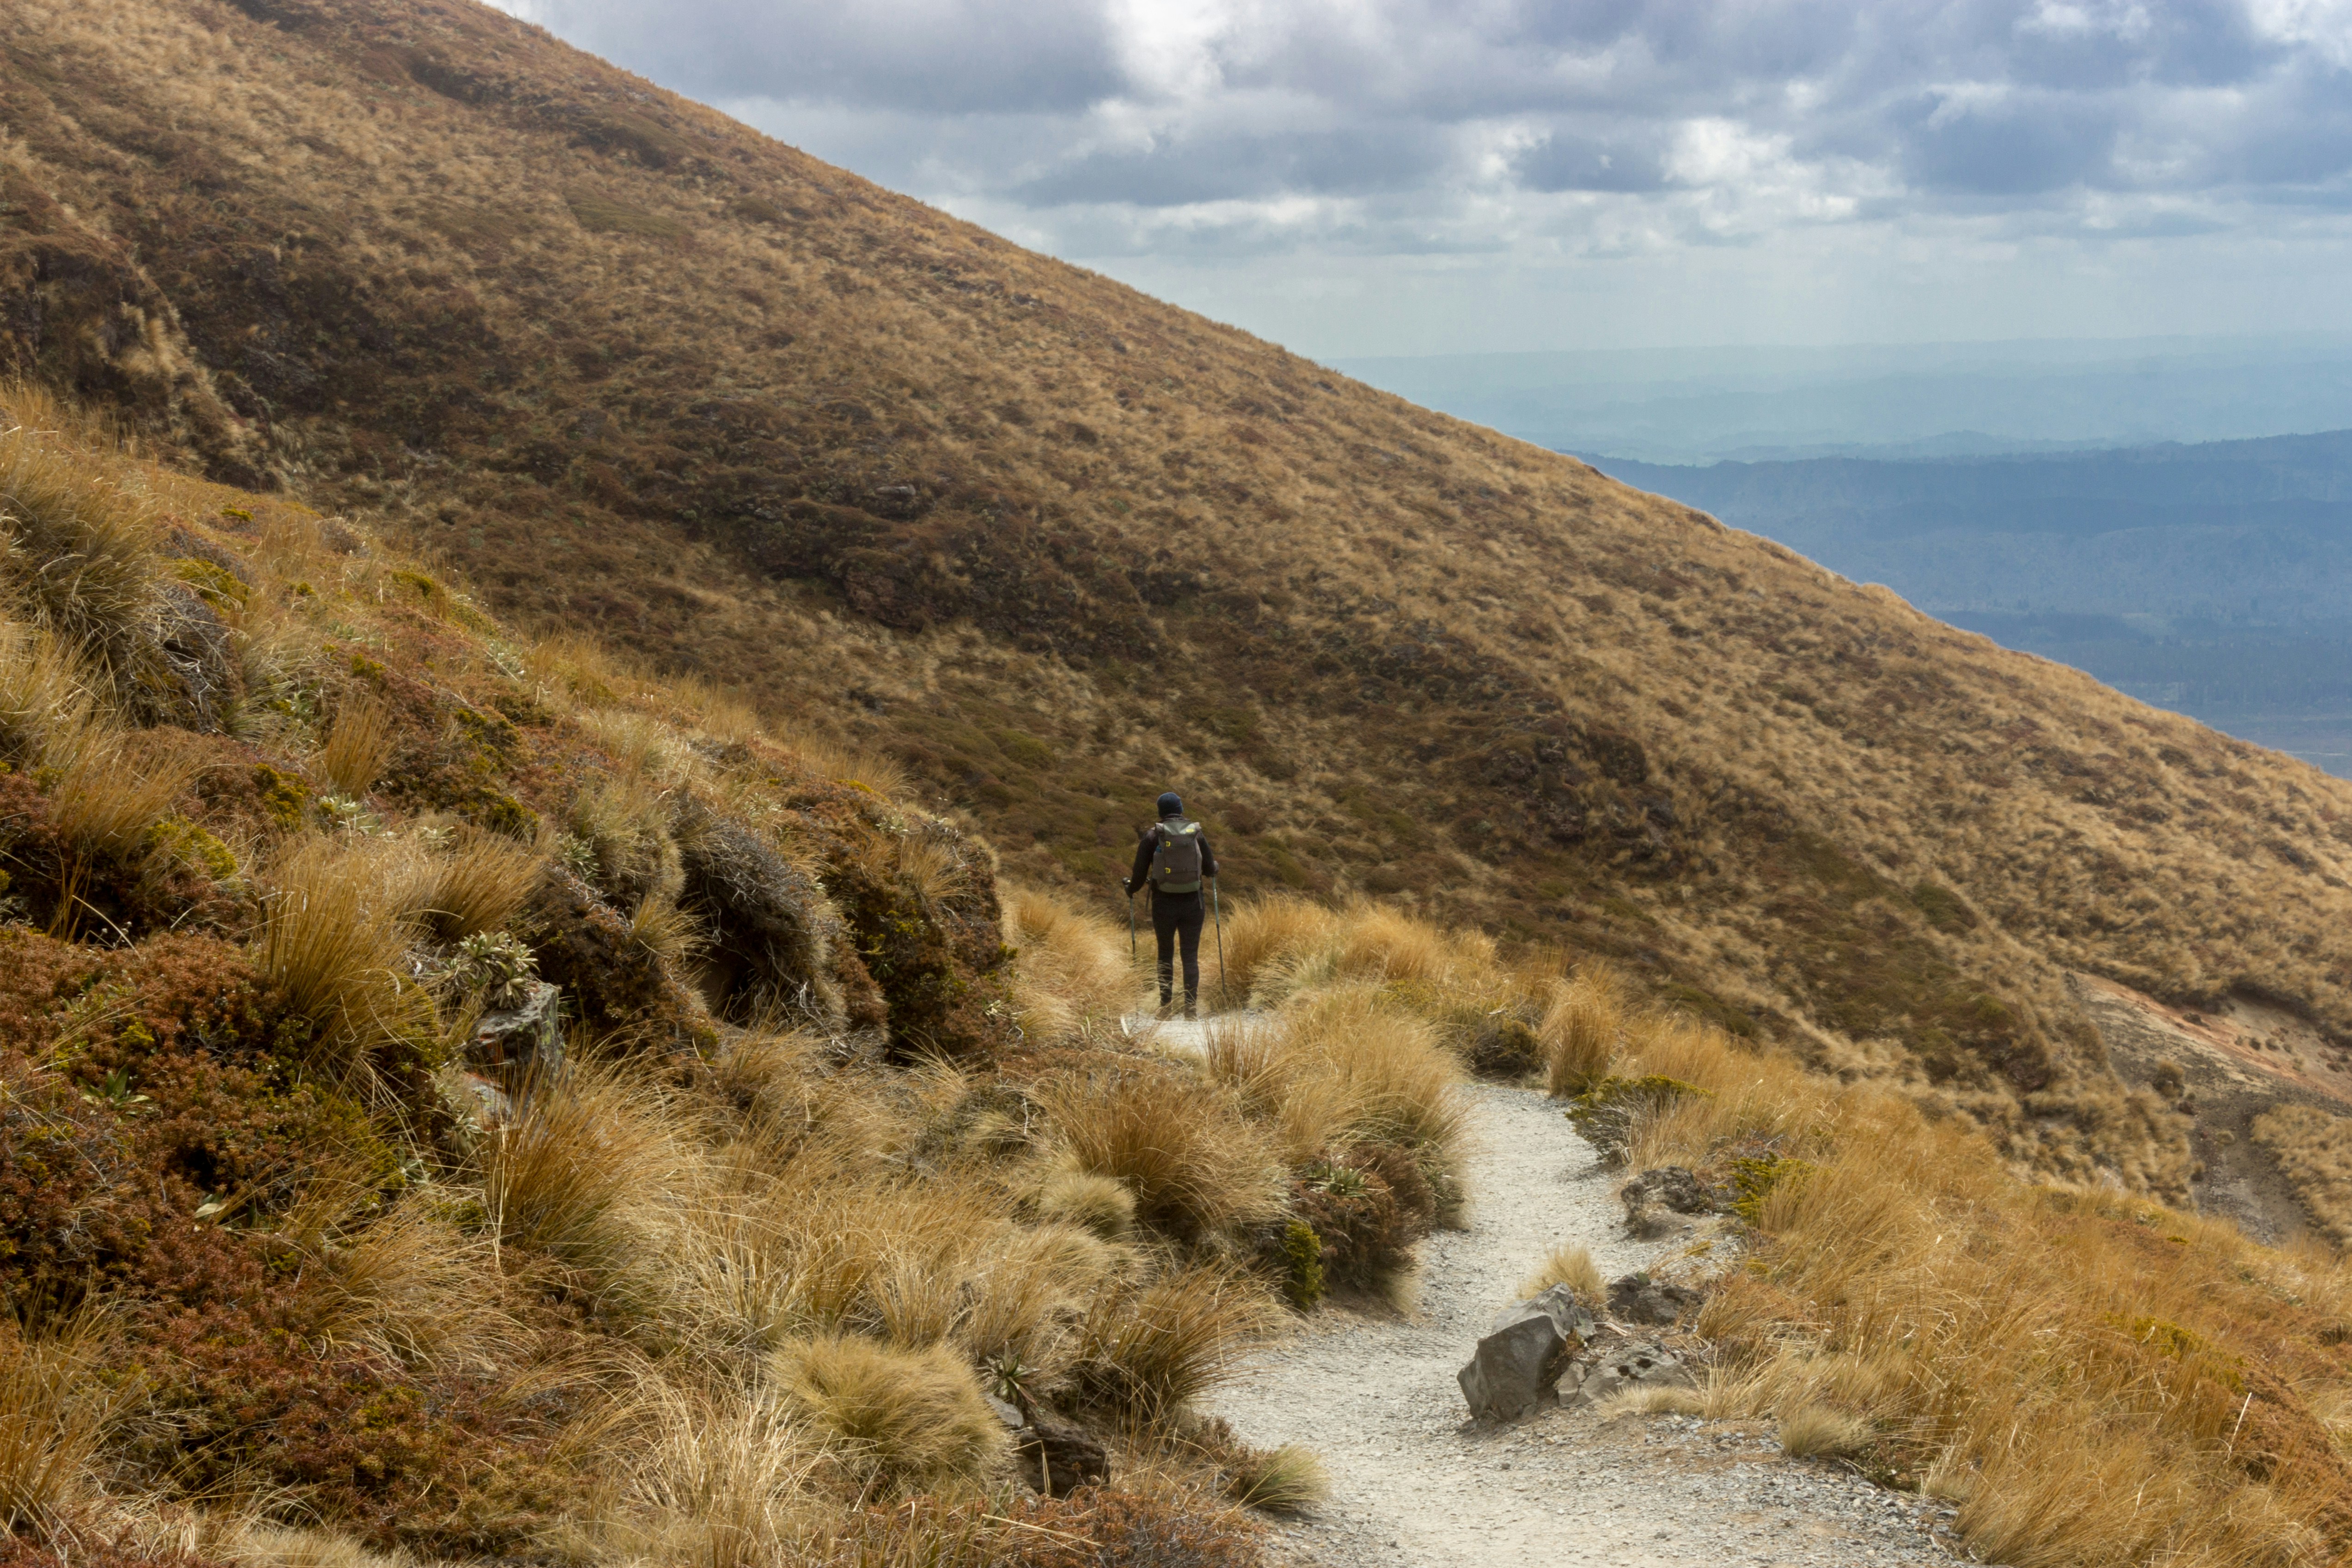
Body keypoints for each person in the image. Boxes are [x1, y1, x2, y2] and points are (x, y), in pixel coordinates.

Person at [1125, 791, 1217, 1020]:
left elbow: (1138, 876)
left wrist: (1130, 889)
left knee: (1165, 954)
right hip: (1193, 903)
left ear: (1160, 812)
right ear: (1181, 809)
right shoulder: (1196, 834)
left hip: (1163, 903)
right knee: (1190, 955)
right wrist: (1215, 865)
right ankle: (1191, 1010)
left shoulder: (1152, 836)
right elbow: (1209, 870)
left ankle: (1165, 1009)